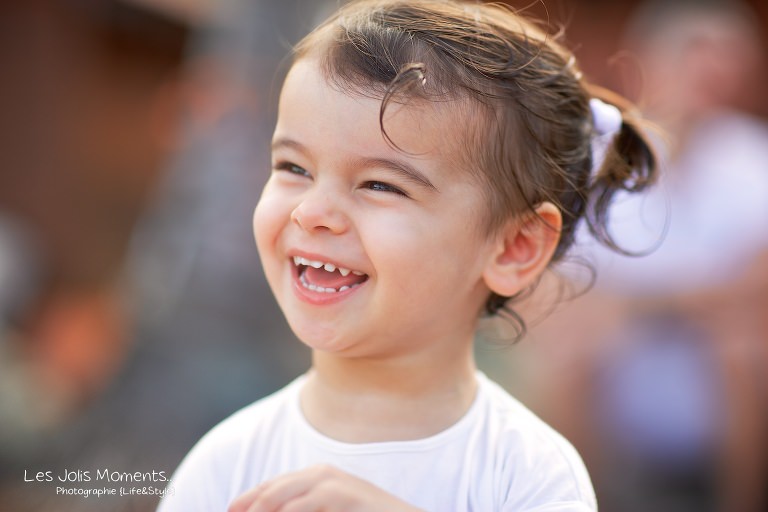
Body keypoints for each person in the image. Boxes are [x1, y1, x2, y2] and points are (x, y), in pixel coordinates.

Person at [157, 1, 657, 510]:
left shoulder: (528, 474)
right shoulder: (226, 464)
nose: (311, 213)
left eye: (380, 185)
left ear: (514, 247)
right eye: (293, 167)